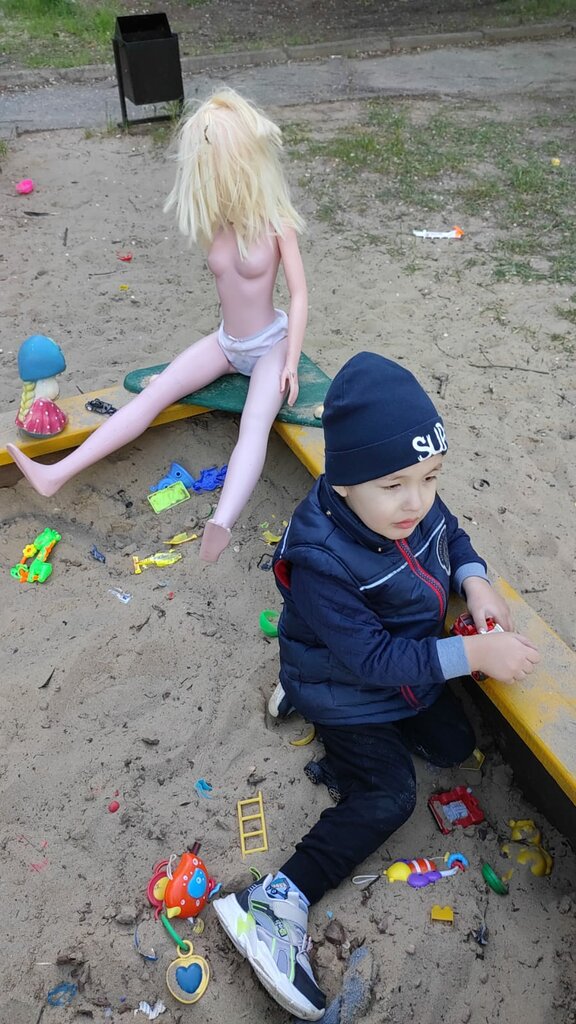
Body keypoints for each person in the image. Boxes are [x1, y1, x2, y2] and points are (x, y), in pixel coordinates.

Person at [213, 352, 540, 1020]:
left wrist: (473, 578)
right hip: (350, 685)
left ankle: (308, 706)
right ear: (343, 481)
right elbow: (375, 661)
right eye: (396, 485)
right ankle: (273, 900)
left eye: (430, 477)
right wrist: (471, 650)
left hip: (396, 674)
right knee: (392, 795)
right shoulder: (321, 557)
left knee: (453, 744)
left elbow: (450, 528)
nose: (416, 501)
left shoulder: (408, 501)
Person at [7, 88, 307, 563]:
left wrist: (291, 360)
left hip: (271, 342)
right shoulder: (219, 219)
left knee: (255, 422)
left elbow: (300, 294)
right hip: (228, 342)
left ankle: (221, 522)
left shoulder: (276, 223)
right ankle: (56, 473)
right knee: (152, 395)